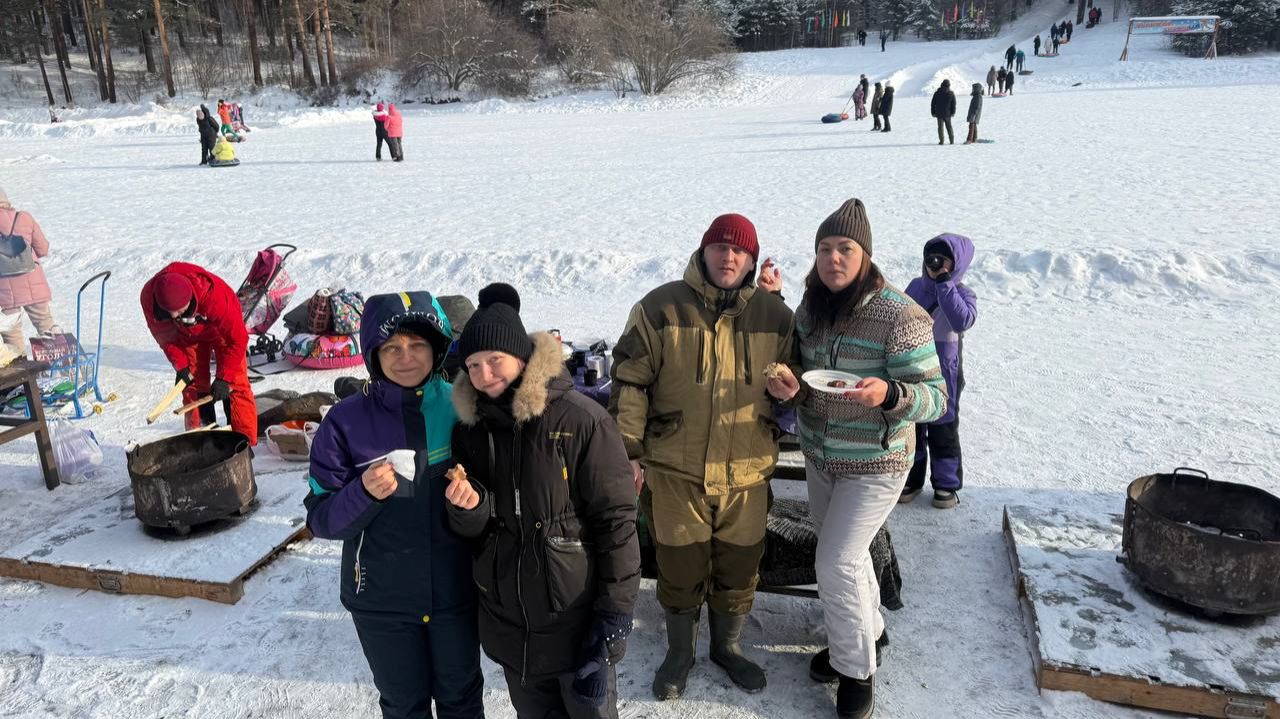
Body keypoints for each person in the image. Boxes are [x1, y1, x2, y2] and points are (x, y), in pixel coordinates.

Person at [764, 199, 946, 719]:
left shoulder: (899, 315)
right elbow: (809, 388)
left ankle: (855, 671)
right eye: (824, 249)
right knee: (849, 554)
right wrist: (791, 387)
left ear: (865, 255)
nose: (833, 259)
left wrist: (888, 394)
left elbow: (936, 398)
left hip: (877, 462)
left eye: (845, 249)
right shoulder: (811, 310)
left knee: (836, 560)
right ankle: (873, 633)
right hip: (824, 457)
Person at [610, 213, 797, 700]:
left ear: (753, 259)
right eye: (719, 246)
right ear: (703, 251)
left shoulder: (776, 318)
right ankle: (679, 651)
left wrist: (788, 393)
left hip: (747, 472)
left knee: (739, 567)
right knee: (680, 566)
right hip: (676, 472)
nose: (728, 256)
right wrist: (628, 452)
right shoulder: (660, 308)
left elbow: (797, 391)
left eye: (739, 250)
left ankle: (727, 647)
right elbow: (629, 384)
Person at [444, 283, 639, 719]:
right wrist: (467, 507)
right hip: (512, 629)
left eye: (495, 360)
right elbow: (477, 530)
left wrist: (614, 615)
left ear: (522, 357)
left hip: (576, 625)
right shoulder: (470, 432)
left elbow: (617, 522)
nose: (484, 374)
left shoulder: (581, 421)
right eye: (473, 365)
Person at [305, 291, 485, 719]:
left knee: (462, 699)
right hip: (381, 602)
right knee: (404, 706)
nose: (406, 358)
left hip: (455, 594)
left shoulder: (465, 407)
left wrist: (471, 499)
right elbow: (321, 520)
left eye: (418, 345)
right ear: (373, 353)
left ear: (438, 348)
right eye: (392, 347)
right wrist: (362, 492)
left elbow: (493, 496)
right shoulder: (345, 422)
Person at [139, 263, 256, 442]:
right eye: (170, 314)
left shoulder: (213, 295)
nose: (174, 316)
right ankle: (198, 439)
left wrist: (224, 378)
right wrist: (181, 365)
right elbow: (165, 337)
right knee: (191, 384)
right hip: (187, 335)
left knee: (236, 383)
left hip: (221, 331)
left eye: (180, 311)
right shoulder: (149, 299)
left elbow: (237, 339)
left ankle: (244, 441)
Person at [902, 235, 977, 508]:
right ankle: (911, 480)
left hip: (946, 374)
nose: (934, 264)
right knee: (913, 426)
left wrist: (946, 285)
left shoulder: (963, 294)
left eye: (942, 259)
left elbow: (961, 320)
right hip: (914, 368)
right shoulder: (915, 287)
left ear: (956, 263)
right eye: (930, 258)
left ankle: (946, 485)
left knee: (943, 429)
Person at [0, 188, 60, 353]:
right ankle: (63, 367)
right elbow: (43, 249)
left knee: (11, 333)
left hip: (4, 291)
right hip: (34, 283)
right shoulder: (24, 218)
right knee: (46, 325)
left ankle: (23, 375)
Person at [930, 79, 956, 145]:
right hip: (948, 114)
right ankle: (951, 141)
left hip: (939, 114)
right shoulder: (951, 93)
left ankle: (941, 141)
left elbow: (933, 103)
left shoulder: (937, 93)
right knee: (949, 127)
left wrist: (933, 112)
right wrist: (953, 112)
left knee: (940, 128)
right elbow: (953, 104)